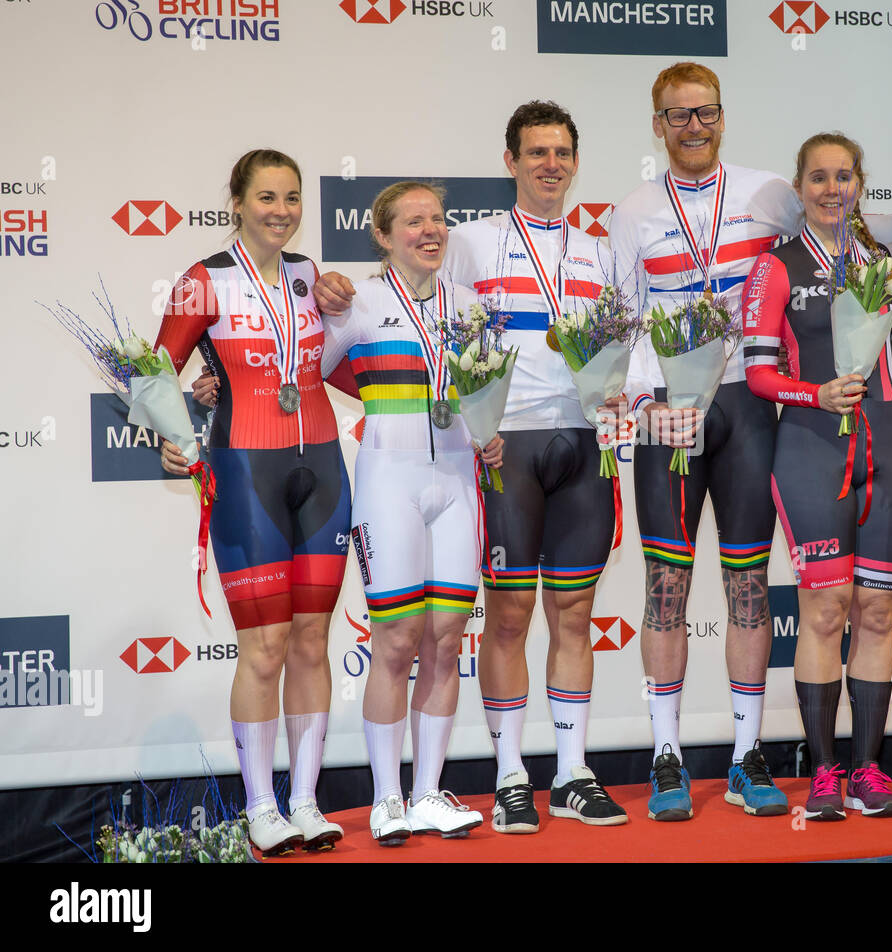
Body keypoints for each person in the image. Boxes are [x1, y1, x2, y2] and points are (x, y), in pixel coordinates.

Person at [609, 62, 892, 821]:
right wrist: (641, 399)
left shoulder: (768, 192)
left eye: (705, 114)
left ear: (723, 118)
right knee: (666, 588)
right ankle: (666, 754)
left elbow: (867, 230)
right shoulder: (630, 212)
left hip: (756, 419)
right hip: (673, 412)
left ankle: (747, 755)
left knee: (752, 588)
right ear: (657, 123)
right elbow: (622, 314)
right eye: (678, 116)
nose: (693, 127)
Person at [314, 102, 630, 833]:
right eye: (535, 151)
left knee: (569, 615)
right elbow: (373, 344)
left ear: (576, 162)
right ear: (511, 161)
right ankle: (509, 774)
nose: (550, 163)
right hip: (501, 447)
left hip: (575, 441)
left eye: (562, 152)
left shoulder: (600, 250)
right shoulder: (470, 248)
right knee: (501, 618)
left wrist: (626, 390)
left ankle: (574, 772)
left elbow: (622, 337)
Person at [158, 149, 350, 855]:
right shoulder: (202, 282)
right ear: (236, 202)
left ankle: (305, 801)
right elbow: (153, 374)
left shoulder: (311, 279)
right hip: (245, 474)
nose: (281, 210)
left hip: (324, 473)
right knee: (264, 648)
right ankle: (261, 807)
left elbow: (349, 370)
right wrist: (172, 439)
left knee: (309, 642)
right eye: (266, 197)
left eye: (292, 197)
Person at [742, 133, 892, 821]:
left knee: (878, 609)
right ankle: (823, 773)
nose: (832, 188)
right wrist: (814, 395)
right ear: (800, 187)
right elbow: (759, 374)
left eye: (844, 176)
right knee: (824, 608)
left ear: (859, 184)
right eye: (818, 177)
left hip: (891, 442)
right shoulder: (776, 267)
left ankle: (869, 769)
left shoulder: (884, 259)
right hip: (813, 445)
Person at [319, 181, 502, 844]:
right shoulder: (358, 303)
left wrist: (491, 429)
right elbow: (299, 371)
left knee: (447, 641)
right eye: (414, 221)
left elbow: (483, 396)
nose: (431, 230)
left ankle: (428, 793)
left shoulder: (471, 307)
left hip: (456, 485)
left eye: (438, 220)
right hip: (388, 484)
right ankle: (386, 799)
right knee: (395, 643)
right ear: (384, 234)